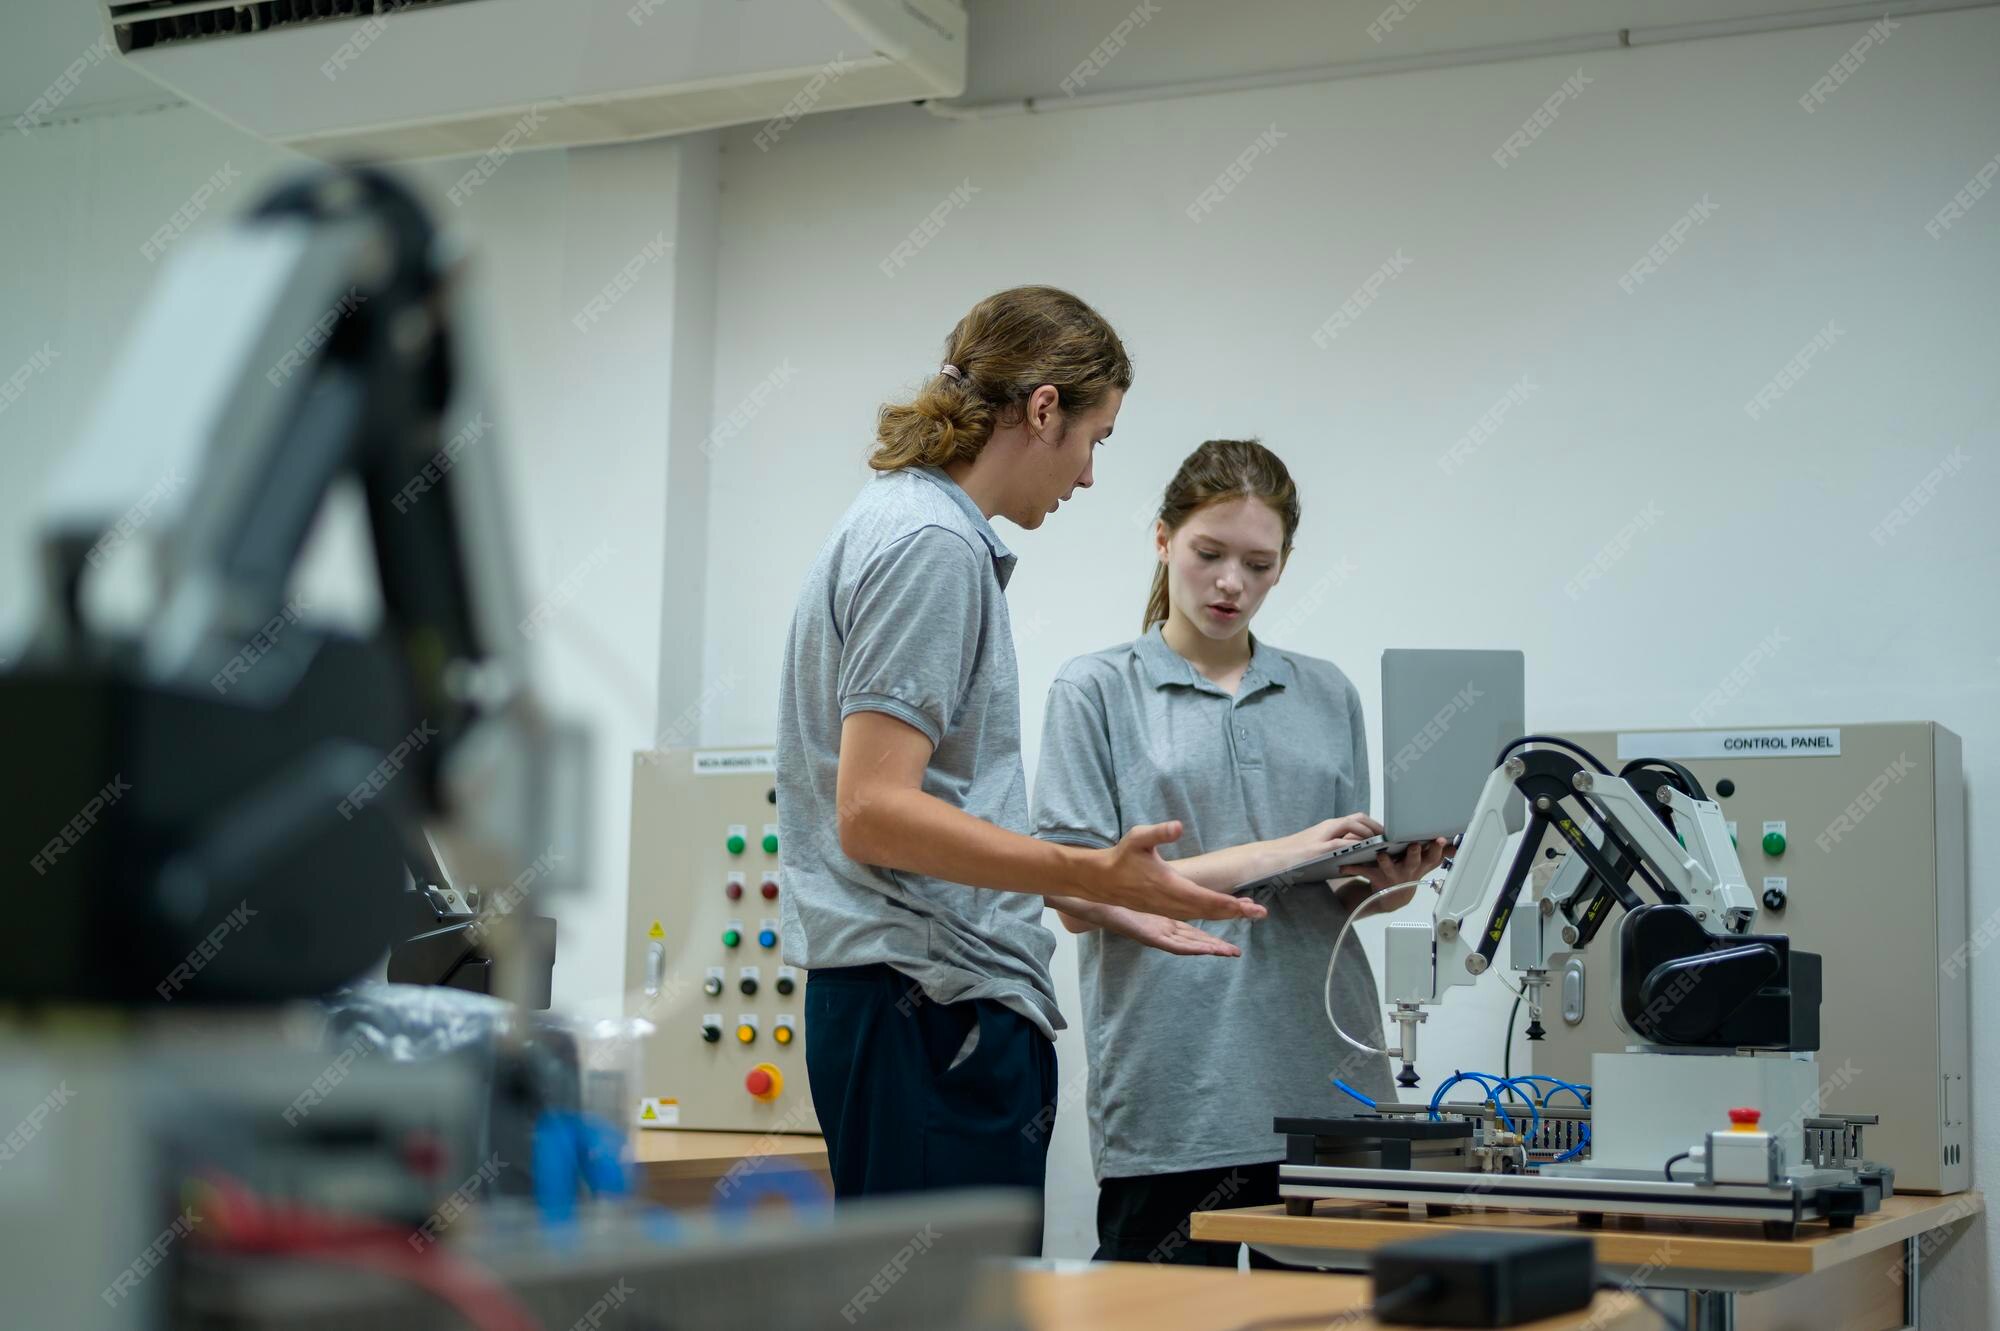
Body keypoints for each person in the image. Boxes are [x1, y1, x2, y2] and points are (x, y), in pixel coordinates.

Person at [775, 289, 1267, 1209]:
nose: (1086, 476)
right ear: (1044, 409)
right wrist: (1090, 868)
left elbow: (928, 810)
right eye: (1096, 439)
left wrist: (1079, 888)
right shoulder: (931, 544)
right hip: (932, 1004)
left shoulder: (900, 523)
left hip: (914, 999)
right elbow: (873, 811)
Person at [1033, 438, 1448, 1265]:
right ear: (1163, 539)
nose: (1232, 583)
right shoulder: (1097, 689)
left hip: (1327, 1078)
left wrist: (1392, 881)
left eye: (1259, 564)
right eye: (1209, 553)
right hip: (1177, 1087)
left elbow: (1334, 893)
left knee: (1342, 1315)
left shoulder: (1326, 692)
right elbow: (1076, 896)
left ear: (1284, 566)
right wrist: (1282, 846)